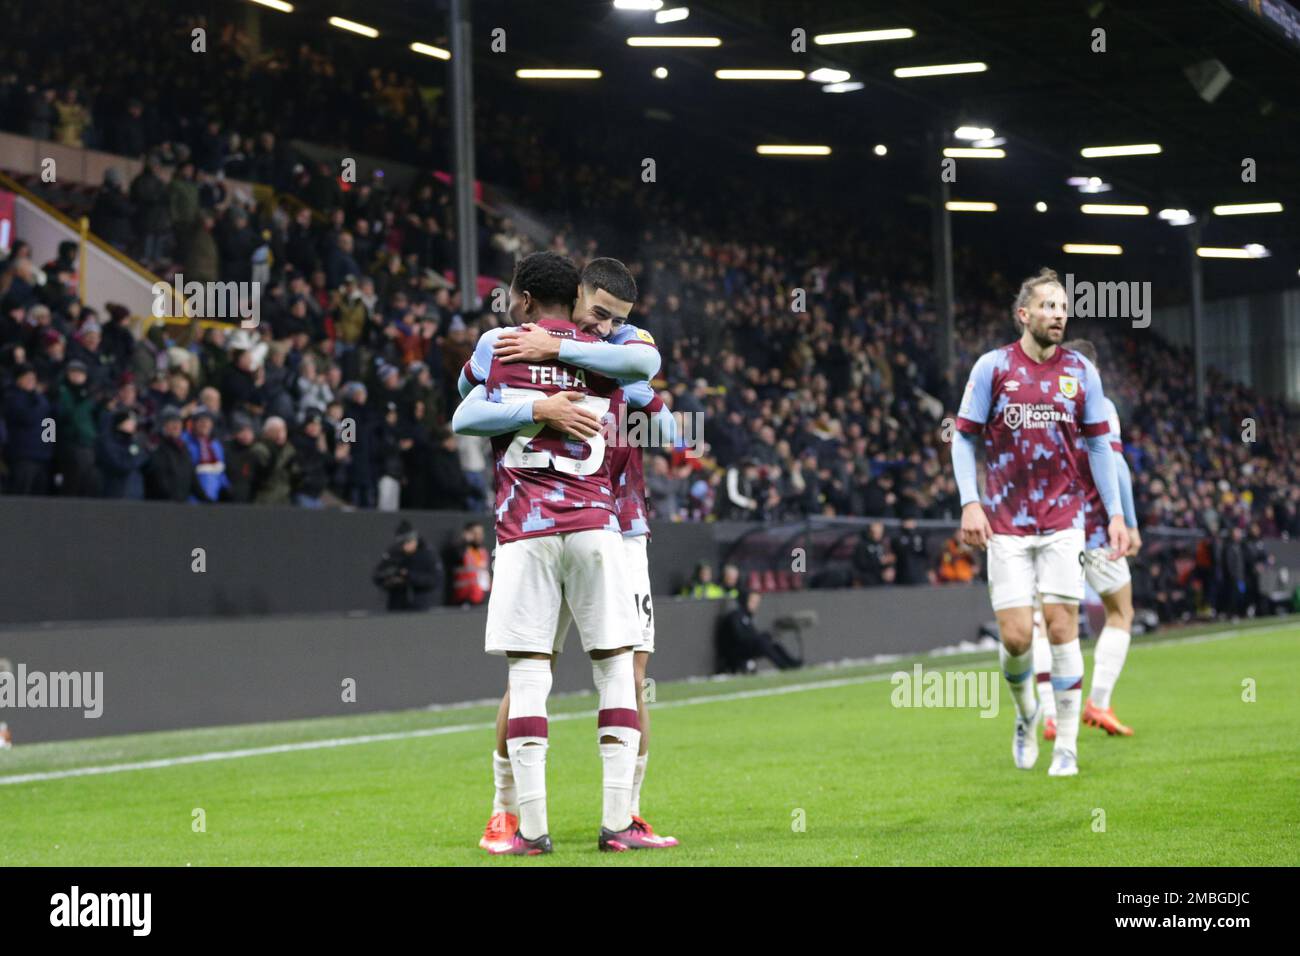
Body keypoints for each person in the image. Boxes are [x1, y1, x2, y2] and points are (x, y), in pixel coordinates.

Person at [456, 256, 677, 854]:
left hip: (605, 527)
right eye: (598, 314)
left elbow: (678, 435)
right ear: (574, 294)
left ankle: (618, 814)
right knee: (550, 671)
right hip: (593, 523)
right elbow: (465, 398)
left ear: (525, 299)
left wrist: (559, 356)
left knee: (619, 672)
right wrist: (544, 399)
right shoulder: (525, 347)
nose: (607, 327)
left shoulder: (610, 348)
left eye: (616, 320)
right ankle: (507, 811)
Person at [951, 267, 1128, 778]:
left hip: (1063, 519)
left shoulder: (1081, 373)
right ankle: (1028, 712)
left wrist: (1115, 514)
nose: (1059, 314)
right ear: (1023, 315)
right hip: (1005, 522)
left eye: (1063, 306)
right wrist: (970, 502)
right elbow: (964, 437)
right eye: (1049, 306)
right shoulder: (993, 368)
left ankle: (1067, 745)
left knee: (1061, 627)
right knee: (1016, 638)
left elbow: (1099, 444)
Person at [716, 590, 803, 674]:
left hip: (746, 648)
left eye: (757, 602)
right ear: (745, 600)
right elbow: (739, 637)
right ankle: (783, 666)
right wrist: (759, 638)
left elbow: (752, 635)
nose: (755, 605)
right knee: (762, 642)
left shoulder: (746, 617)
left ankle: (792, 663)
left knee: (772, 643)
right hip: (734, 652)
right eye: (752, 601)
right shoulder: (735, 616)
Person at [372, 521, 439, 611]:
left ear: (415, 540)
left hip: (419, 607)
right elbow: (377, 576)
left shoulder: (427, 554)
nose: (405, 546)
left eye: (408, 542)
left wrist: (408, 575)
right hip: (396, 605)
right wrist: (390, 578)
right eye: (402, 543)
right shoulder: (393, 553)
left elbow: (433, 580)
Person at [445, 521, 491, 606]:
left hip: (482, 598)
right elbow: (457, 556)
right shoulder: (460, 550)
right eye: (475, 533)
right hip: (464, 600)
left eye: (481, 533)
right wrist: (465, 542)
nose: (479, 536)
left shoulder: (482, 552)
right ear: (468, 534)